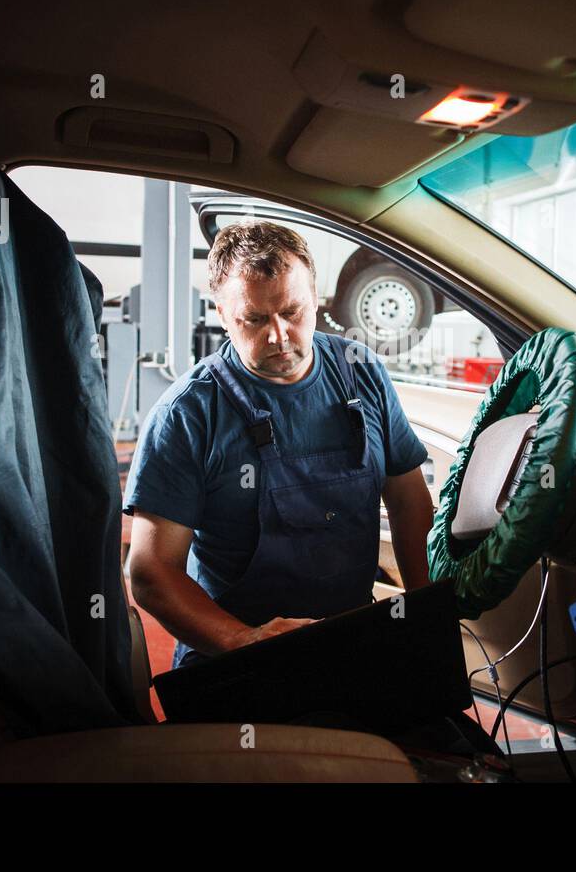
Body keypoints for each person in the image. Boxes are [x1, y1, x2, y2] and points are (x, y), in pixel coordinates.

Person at [123, 220, 434, 668]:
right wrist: (243, 641)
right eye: (254, 319)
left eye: (293, 311)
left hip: (351, 636)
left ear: (315, 296)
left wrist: (426, 615)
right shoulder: (189, 414)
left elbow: (408, 501)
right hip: (234, 654)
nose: (279, 335)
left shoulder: (361, 370)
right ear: (222, 313)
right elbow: (152, 572)